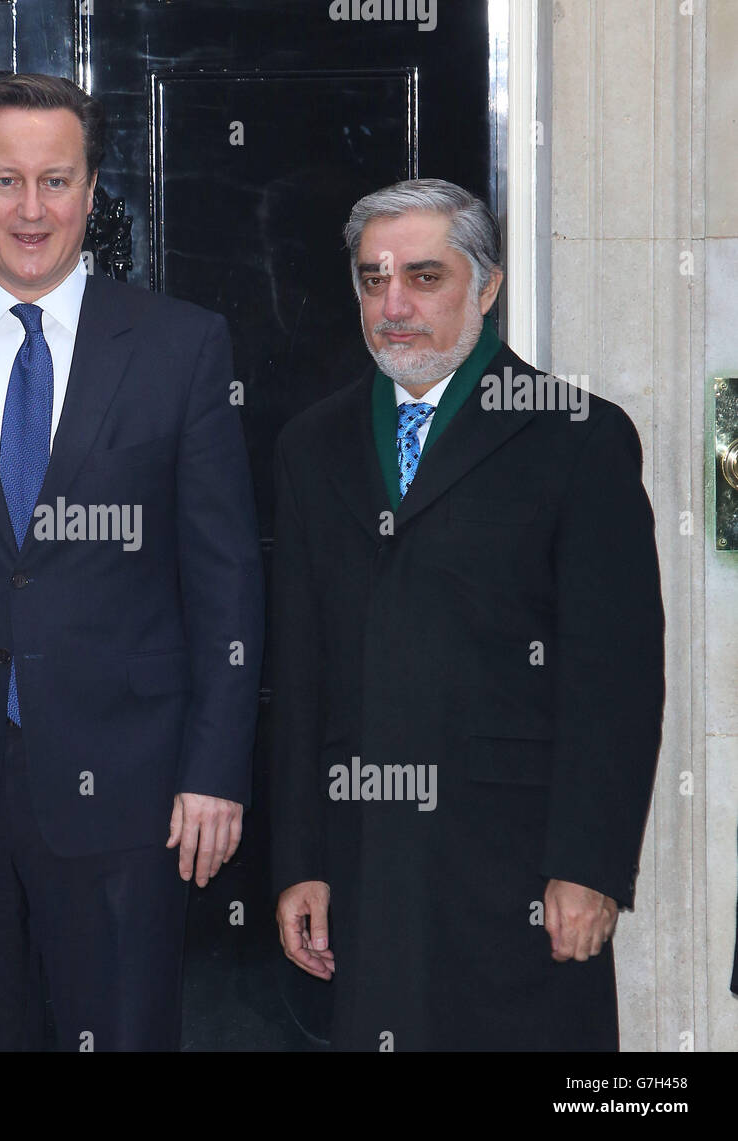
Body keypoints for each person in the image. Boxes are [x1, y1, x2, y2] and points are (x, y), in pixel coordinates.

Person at [0, 73, 264, 1051]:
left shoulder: (181, 345)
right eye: (4, 181)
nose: (30, 210)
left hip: (132, 792)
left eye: (55, 180)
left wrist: (217, 768)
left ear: (90, 190)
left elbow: (225, 577)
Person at [270, 178, 665, 1051]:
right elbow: (296, 675)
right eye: (373, 280)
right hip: (367, 868)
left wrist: (589, 866)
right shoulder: (312, 446)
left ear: (485, 289)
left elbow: (618, 680)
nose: (394, 305)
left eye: (423, 277)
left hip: (518, 876)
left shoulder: (577, 436)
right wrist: (298, 861)